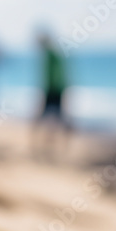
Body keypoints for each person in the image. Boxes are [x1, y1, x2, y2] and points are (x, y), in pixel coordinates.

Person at [32, 31, 71, 159]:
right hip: (57, 89)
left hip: (53, 90)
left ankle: (40, 146)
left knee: (46, 118)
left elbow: (50, 76)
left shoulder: (50, 54)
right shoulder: (55, 53)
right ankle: (52, 146)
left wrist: (45, 91)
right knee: (55, 118)